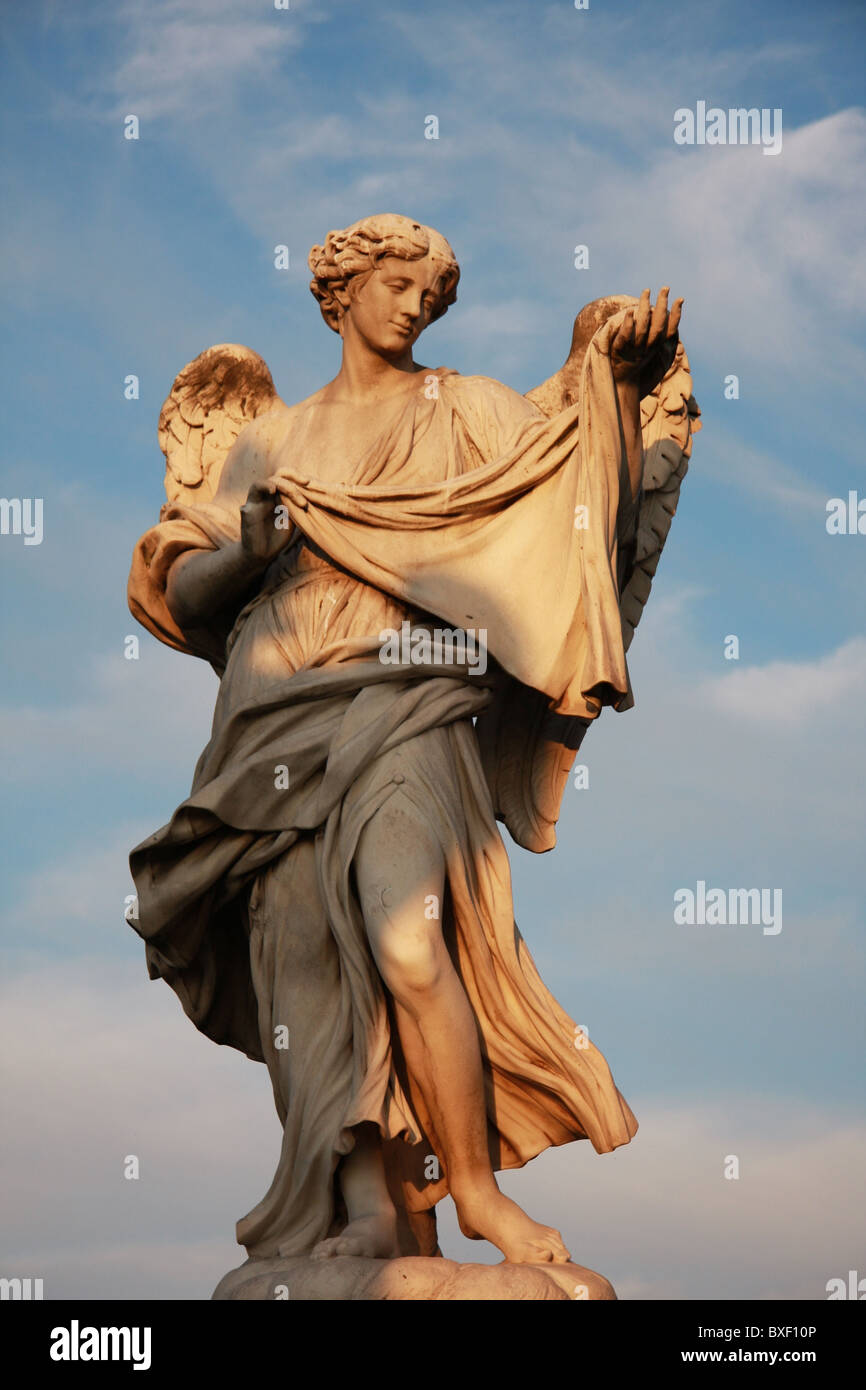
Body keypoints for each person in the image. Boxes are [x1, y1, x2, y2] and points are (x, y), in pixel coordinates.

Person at [127, 213, 682, 1267]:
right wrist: (246, 550)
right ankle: (367, 1205)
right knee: (309, 976)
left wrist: (610, 381)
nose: (415, 303)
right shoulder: (267, 440)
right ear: (341, 289)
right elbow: (185, 587)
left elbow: (574, 519)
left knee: (406, 941)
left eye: (432, 291)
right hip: (272, 714)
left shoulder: (465, 407)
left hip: (408, 702)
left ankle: (471, 1191)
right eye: (397, 281)